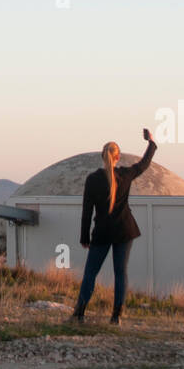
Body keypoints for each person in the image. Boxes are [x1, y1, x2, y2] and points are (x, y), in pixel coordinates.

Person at [71, 128, 157, 325]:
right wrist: (151, 143)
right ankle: (116, 316)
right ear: (118, 157)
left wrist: (84, 237)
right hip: (124, 231)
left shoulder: (92, 179)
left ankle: (79, 313)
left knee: (90, 273)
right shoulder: (125, 175)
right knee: (121, 272)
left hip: (101, 233)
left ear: (103, 157)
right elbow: (143, 165)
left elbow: (87, 211)